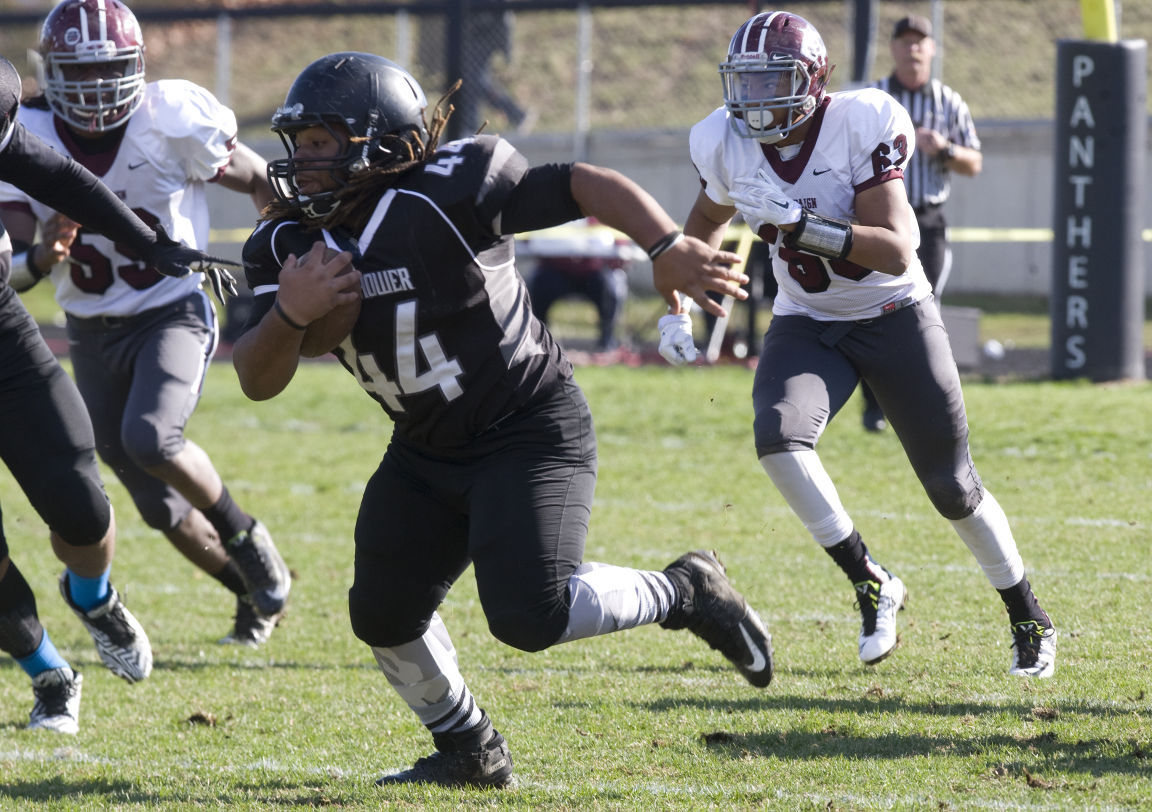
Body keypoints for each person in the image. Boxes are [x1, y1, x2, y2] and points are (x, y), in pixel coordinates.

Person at [232, 52, 768, 789]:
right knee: (381, 615)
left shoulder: (445, 193)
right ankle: (469, 749)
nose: (305, 162)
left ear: (379, 142)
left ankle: (686, 589)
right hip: (423, 449)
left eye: (323, 142)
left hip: (527, 424)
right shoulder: (287, 243)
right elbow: (259, 379)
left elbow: (583, 183)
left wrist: (666, 246)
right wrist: (292, 312)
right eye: (301, 144)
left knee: (529, 615)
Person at [665, 11, 1055, 679]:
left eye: (772, 83)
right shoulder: (724, 142)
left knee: (951, 486)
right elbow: (698, 228)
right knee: (778, 436)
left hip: (893, 310)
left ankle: (1028, 615)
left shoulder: (861, 122)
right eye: (746, 85)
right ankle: (871, 579)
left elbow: (897, 248)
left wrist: (804, 224)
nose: (755, 102)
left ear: (812, 82)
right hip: (808, 320)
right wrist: (677, 303)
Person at [0, 0, 291, 648]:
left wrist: (278, 273)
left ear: (136, 68)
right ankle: (249, 594)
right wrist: (42, 254)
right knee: (155, 502)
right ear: (50, 73)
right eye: (80, 73)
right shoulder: (28, 133)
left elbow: (259, 179)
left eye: (109, 71)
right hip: (88, 329)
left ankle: (246, 536)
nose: (97, 89)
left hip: (170, 309)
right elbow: (15, 269)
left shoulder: (169, 118)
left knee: (151, 439)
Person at [0, 52, 238, 734]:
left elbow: (60, 177)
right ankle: (50, 675)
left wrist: (147, 240)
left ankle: (93, 598)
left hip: (3, 341)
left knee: (81, 505)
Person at [858, 13, 982, 432]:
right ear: (892, 49)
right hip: (876, 216)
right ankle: (874, 408)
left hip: (926, 219)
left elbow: (974, 162)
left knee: (922, 313)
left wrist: (944, 150)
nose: (912, 49)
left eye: (920, 42)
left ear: (932, 49)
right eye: (905, 41)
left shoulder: (948, 101)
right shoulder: (872, 98)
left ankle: (921, 409)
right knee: (870, 308)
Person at [524, 217, 641, 353]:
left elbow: (620, 243)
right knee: (538, 285)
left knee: (610, 288)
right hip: (555, 271)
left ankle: (607, 342)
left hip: (593, 272)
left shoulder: (601, 215)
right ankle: (539, 341)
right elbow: (529, 241)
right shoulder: (551, 214)